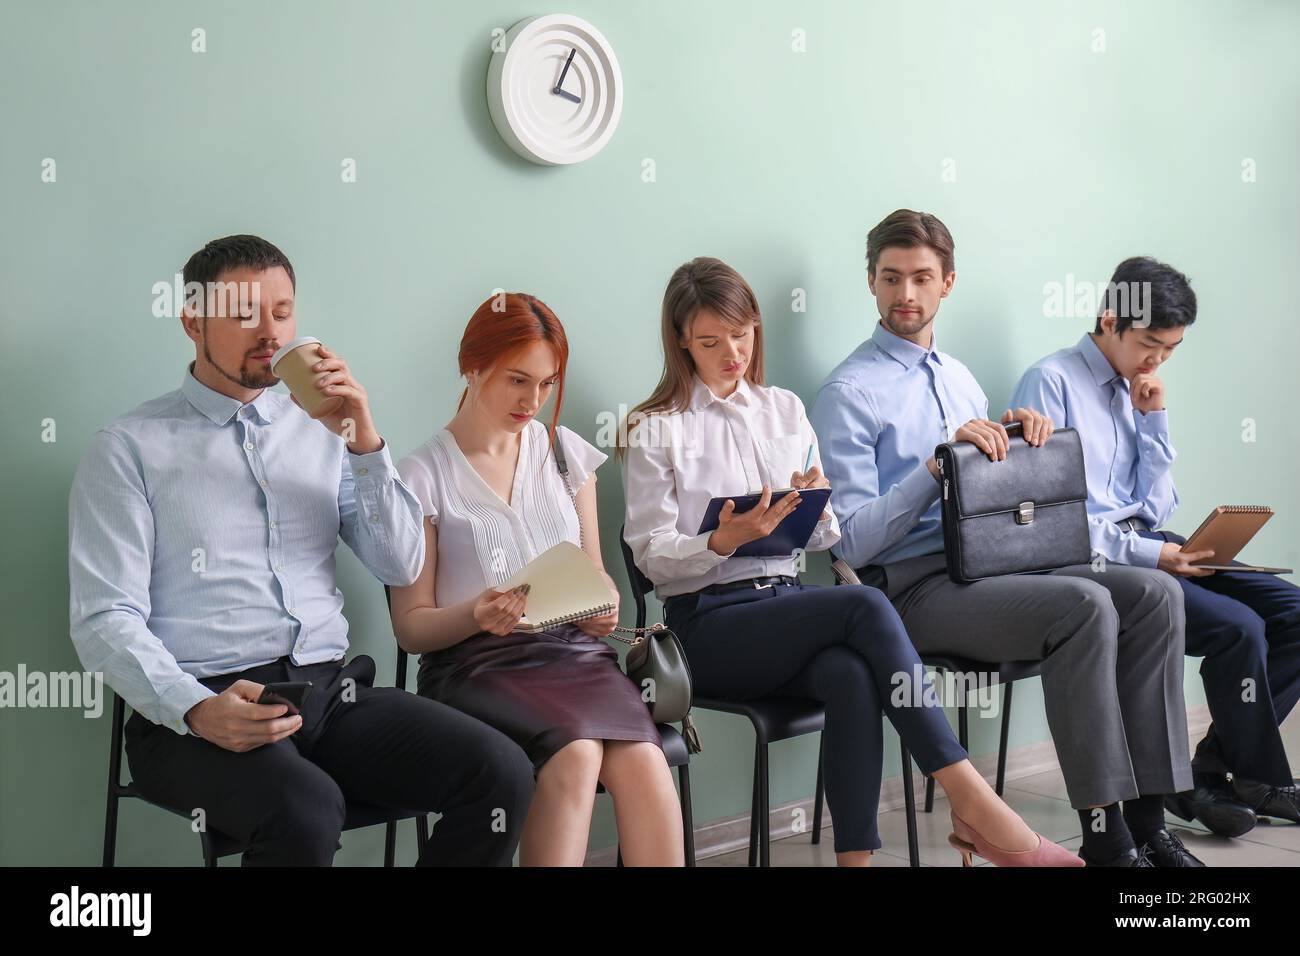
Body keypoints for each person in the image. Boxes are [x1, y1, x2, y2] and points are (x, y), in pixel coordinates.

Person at [69, 235, 534, 866]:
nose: (269, 332)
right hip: (196, 708)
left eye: (282, 311)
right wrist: (197, 708)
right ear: (192, 321)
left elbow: (401, 564)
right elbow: (104, 621)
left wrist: (365, 441)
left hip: (328, 694)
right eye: (243, 313)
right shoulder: (129, 449)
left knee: (501, 770)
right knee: (305, 808)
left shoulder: (325, 429)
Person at [621, 256, 1079, 867]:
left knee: (851, 674)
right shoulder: (655, 429)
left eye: (742, 334)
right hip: (705, 624)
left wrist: (814, 505)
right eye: (710, 341)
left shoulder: (784, 409)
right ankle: (974, 801)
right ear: (681, 339)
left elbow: (824, 538)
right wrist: (723, 540)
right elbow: (652, 562)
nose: (731, 352)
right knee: (863, 602)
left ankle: (855, 863)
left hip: (781, 607)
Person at [811, 211, 1199, 867]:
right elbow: (848, 545)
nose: (906, 294)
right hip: (909, 591)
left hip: (988, 568)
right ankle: (1105, 838)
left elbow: (983, 492)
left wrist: (1017, 443)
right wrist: (935, 468)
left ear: (947, 283)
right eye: (891, 278)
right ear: (872, 284)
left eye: (922, 278)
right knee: (1085, 606)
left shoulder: (960, 379)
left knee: (1156, 594)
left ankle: (1148, 819)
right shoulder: (848, 393)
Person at [390, 292, 684, 867]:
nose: (533, 400)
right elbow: (411, 627)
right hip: (474, 666)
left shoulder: (567, 456)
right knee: (575, 754)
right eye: (517, 380)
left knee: (648, 763)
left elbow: (598, 577)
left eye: (547, 384)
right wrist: (475, 612)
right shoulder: (420, 476)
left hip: (574, 655)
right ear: (470, 367)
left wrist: (603, 608)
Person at [1011, 256, 1300, 837]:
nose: (1157, 359)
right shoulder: (1051, 381)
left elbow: (1159, 505)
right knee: (1240, 628)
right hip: (1095, 562)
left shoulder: (1139, 388)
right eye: (1149, 343)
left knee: (1292, 612)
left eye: (1170, 349)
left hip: (1155, 542)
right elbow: (1045, 519)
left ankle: (1219, 764)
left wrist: (1154, 419)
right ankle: (1257, 778)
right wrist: (1152, 557)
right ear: (1109, 318)